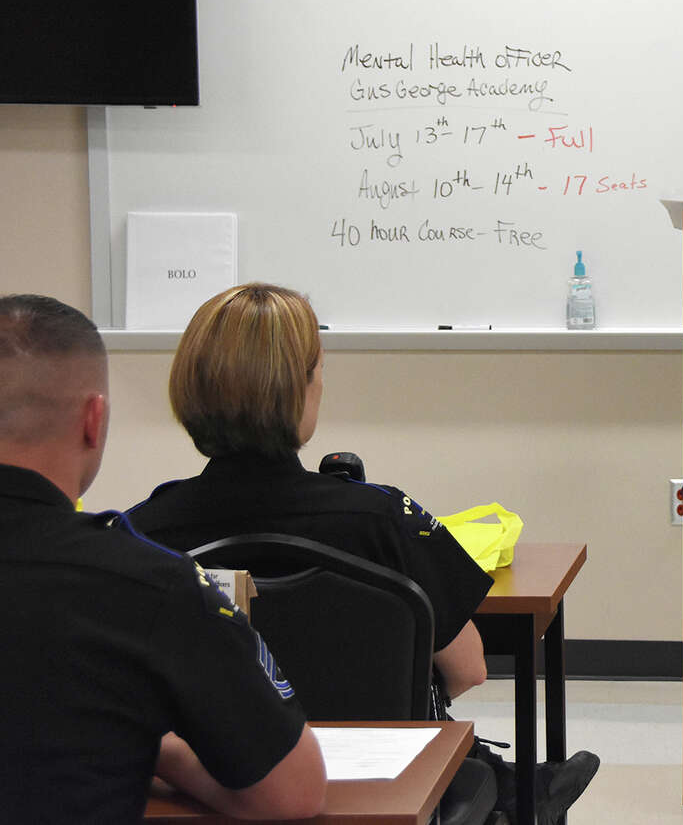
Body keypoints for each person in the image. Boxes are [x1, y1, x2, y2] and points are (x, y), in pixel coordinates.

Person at [128, 282, 598, 824]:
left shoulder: (141, 533)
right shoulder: (381, 519)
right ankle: (514, 786)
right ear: (299, 389)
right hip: (382, 789)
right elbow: (468, 668)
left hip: (204, 792)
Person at [0, 294, 327, 822]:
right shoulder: (147, 584)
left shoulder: (151, 549)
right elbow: (294, 794)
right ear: (94, 420)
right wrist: (159, 748)